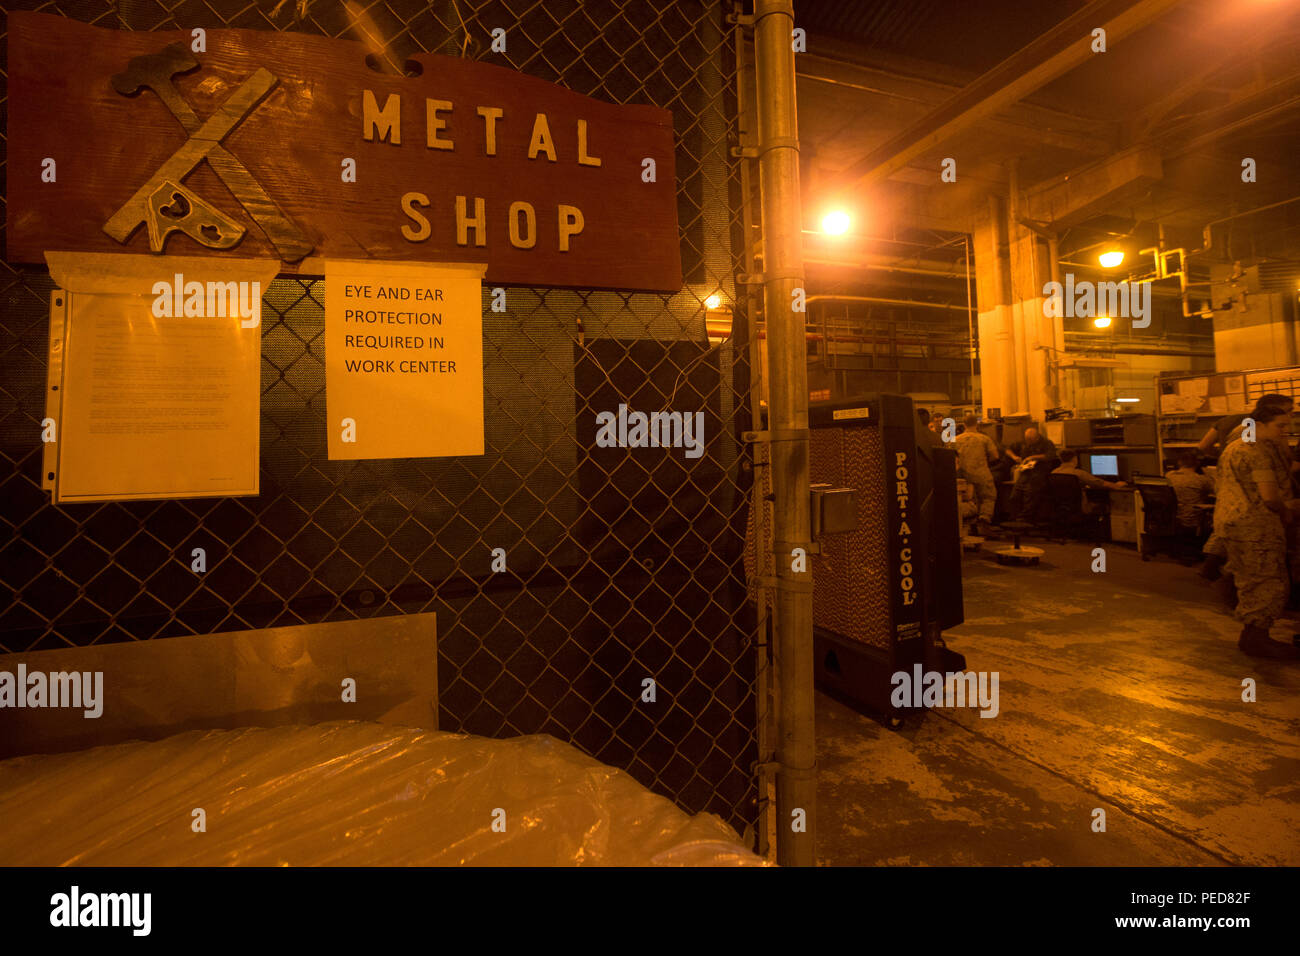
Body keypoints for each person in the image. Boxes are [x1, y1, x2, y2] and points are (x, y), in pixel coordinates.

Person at [1215, 405, 1299, 659]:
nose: (1286, 431)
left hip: (1231, 522)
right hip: (1256, 526)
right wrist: (1288, 510)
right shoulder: (1256, 452)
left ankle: (1251, 637)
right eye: (1280, 426)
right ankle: (1258, 639)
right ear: (1259, 425)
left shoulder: (1233, 447)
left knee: (1250, 580)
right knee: (1269, 581)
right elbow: (1270, 496)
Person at [1199, 394, 1295, 580]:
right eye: (1287, 412)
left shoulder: (1238, 427)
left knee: (1247, 567)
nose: (1290, 418)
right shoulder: (1252, 440)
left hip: (1239, 507)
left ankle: (1220, 577)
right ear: (1270, 410)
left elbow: (1203, 446)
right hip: (1255, 511)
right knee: (1257, 573)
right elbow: (1265, 479)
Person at [954, 414, 1000, 532]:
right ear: (977, 424)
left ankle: (968, 525)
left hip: (963, 476)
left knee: (968, 499)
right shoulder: (984, 438)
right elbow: (995, 456)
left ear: (964, 424)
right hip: (981, 473)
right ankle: (983, 522)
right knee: (988, 496)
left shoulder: (956, 439)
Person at [1166, 449, 1214, 560]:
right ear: (1197, 464)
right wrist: (1205, 472)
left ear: (1179, 463)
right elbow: (1217, 490)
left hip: (1172, 519)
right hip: (1192, 520)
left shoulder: (1169, 476)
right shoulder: (1201, 480)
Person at [1052, 449, 1128, 514]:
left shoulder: (1053, 473)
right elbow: (1100, 483)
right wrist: (1117, 485)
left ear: (1061, 459)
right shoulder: (1078, 473)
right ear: (1075, 459)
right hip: (1081, 507)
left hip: (1061, 508)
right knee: (1108, 504)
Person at [1007, 426, 1058, 521]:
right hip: (1025, 471)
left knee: (1030, 494)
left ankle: (1025, 518)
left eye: (1031, 440)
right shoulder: (1023, 442)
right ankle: (1014, 517)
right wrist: (1014, 457)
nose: (1028, 442)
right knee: (1015, 495)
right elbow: (1008, 449)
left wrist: (1033, 457)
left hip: (1039, 472)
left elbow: (1051, 455)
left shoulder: (1046, 443)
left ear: (1037, 437)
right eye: (1027, 439)